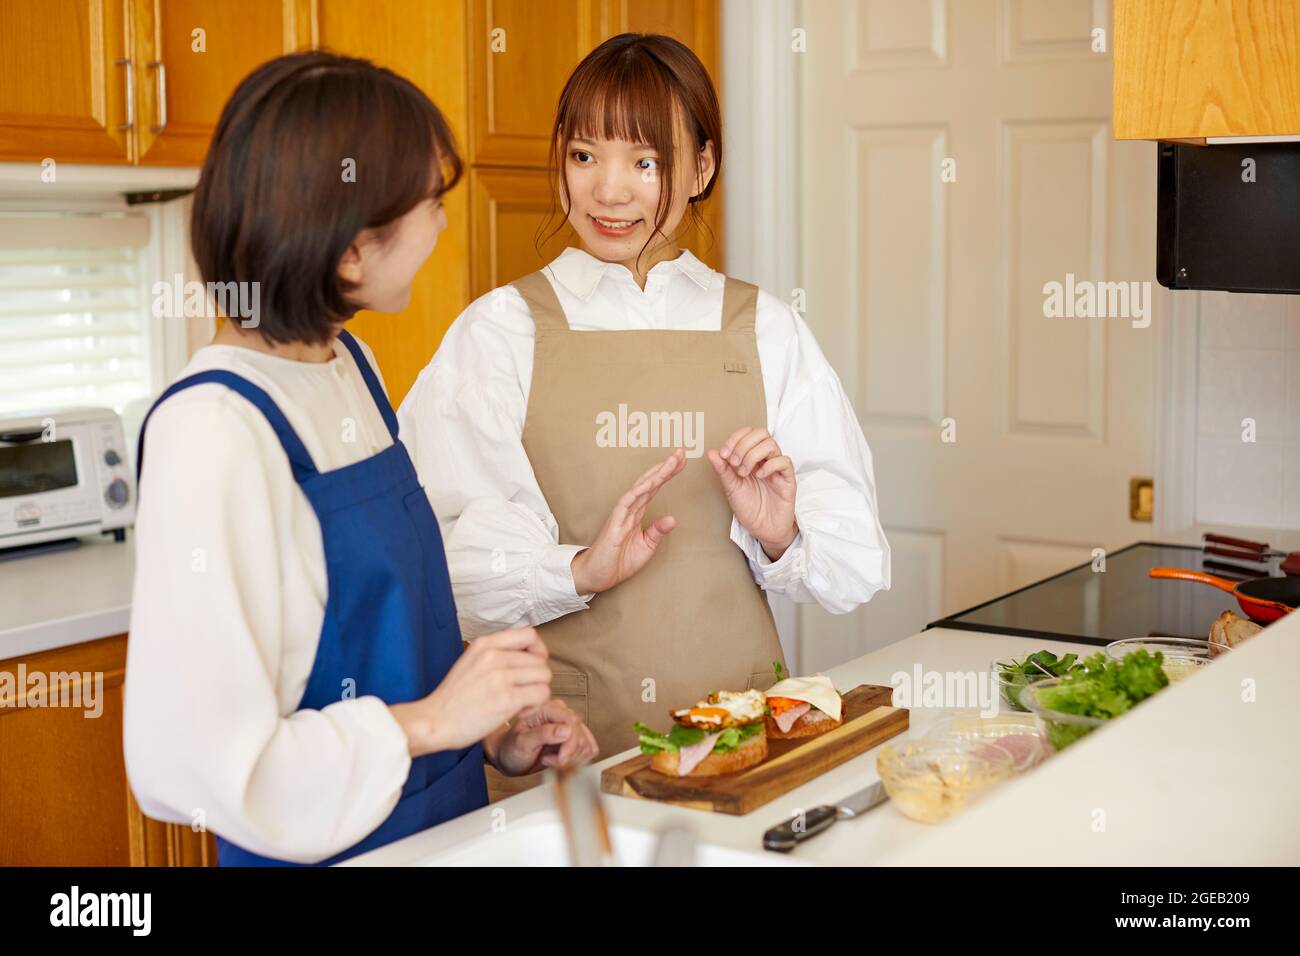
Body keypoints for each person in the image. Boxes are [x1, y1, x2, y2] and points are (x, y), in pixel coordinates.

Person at [124, 52, 597, 867]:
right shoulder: (214, 431)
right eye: (429, 204)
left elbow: (383, 656)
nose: (443, 224)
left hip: (444, 833)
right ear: (350, 252)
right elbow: (193, 768)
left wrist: (484, 733)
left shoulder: (353, 371)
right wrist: (435, 722)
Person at [398, 34, 890, 761]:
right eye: (584, 155)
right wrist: (575, 572)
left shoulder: (768, 330)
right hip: (562, 751)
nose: (609, 190)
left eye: (645, 161)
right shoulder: (499, 333)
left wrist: (782, 534)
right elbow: (438, 564)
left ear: (701, 166)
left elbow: (855, 568)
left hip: (742, 745)